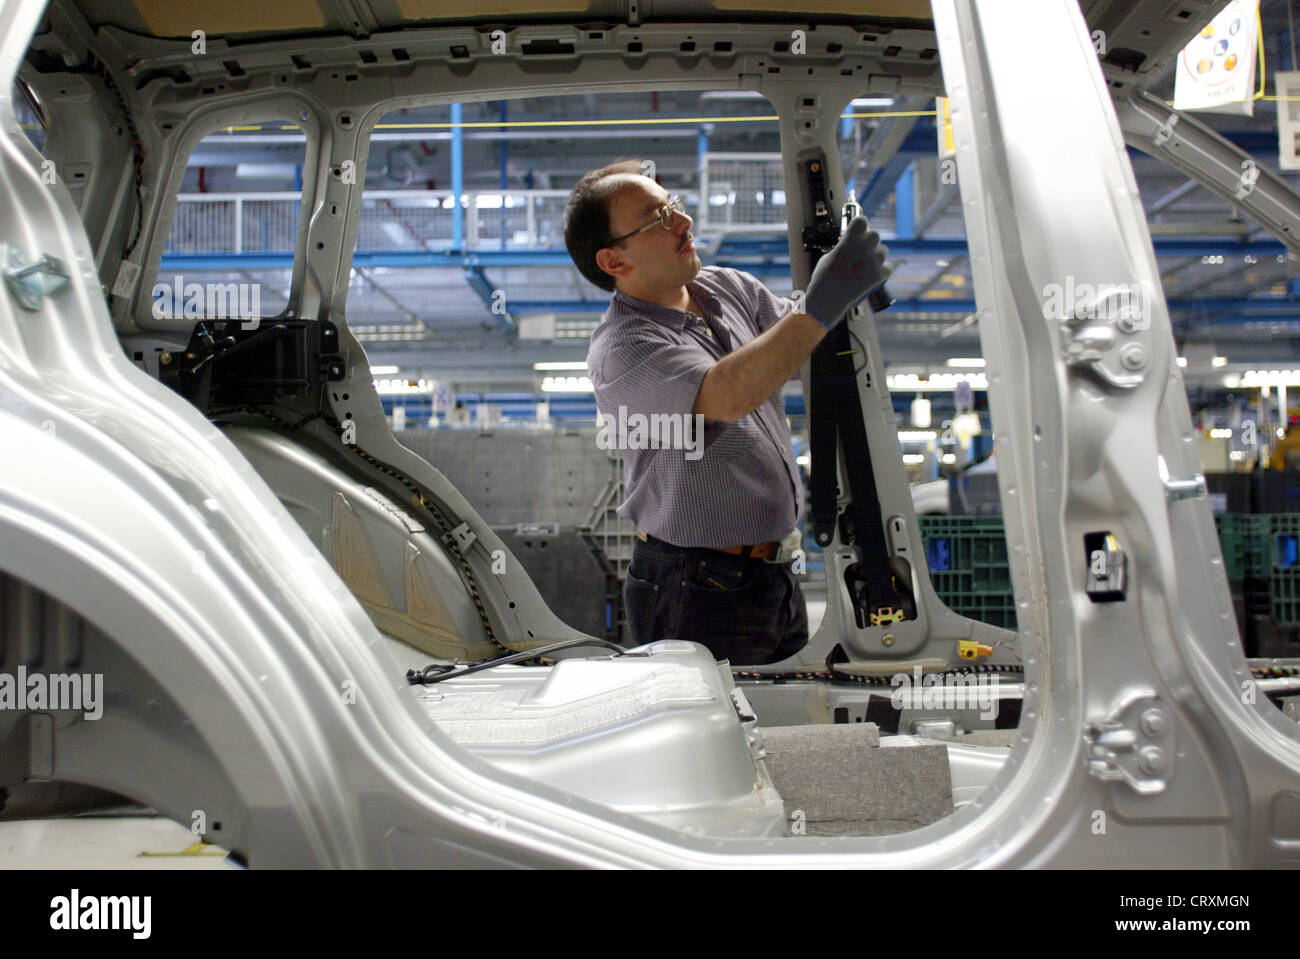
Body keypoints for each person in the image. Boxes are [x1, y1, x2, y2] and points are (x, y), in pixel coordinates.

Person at [564, 159, 890, 664]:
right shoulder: (624, 347)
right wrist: (825, 297)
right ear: (613, 262)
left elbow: (796, 343)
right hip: (694, 583)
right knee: (712, 730)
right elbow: (727, 394)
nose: (683, 221)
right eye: (657, 219)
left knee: (782, 723)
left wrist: (837, 287)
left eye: (673, 205)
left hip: (773, 572)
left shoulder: (725, 289)